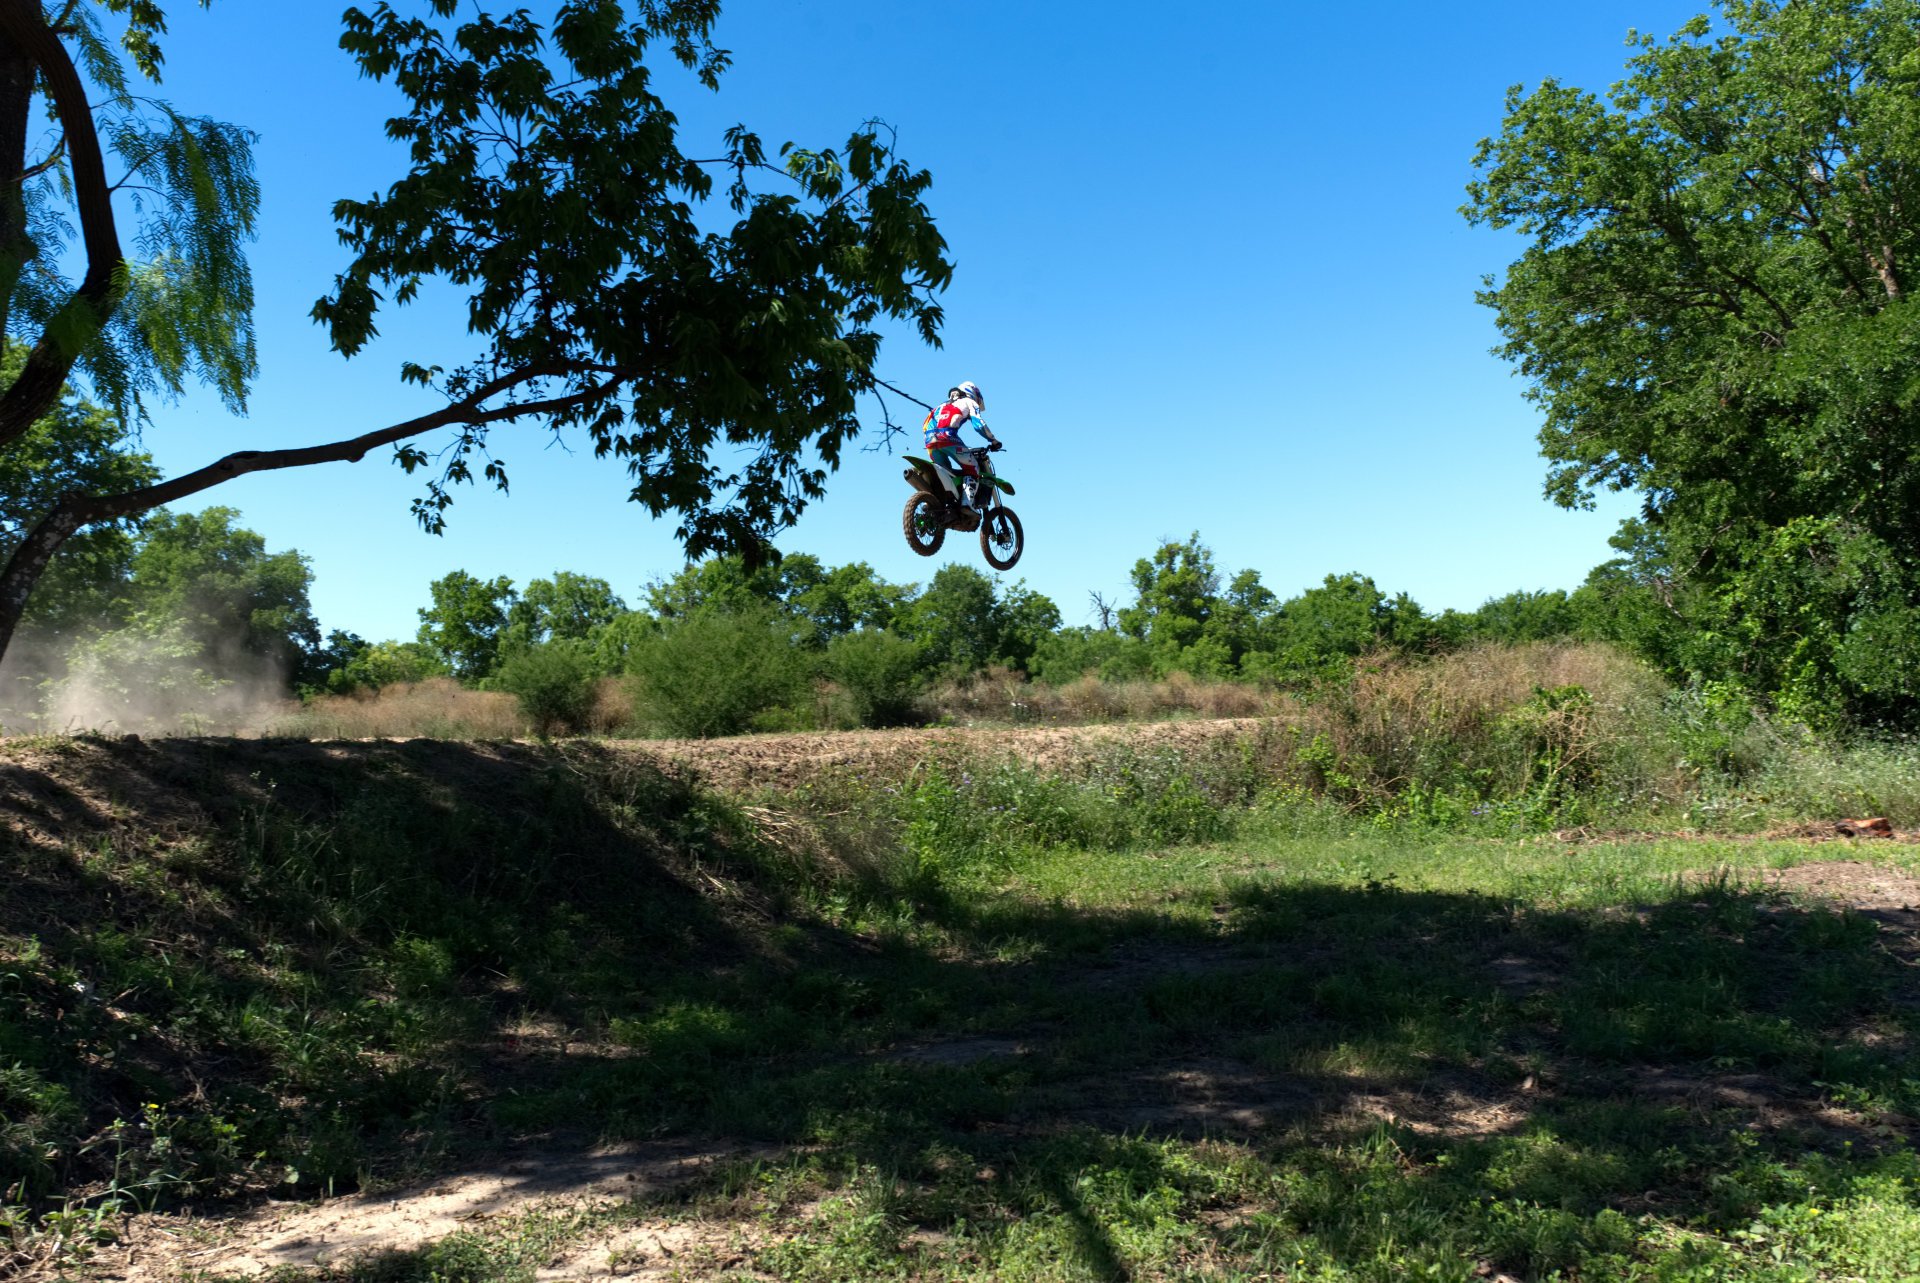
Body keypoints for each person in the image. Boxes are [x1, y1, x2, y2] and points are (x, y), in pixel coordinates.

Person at [921, 380, 1001, 508]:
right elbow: (978, 423)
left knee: (945, 473)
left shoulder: (939, 406)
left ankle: (935, 504)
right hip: (949, 438)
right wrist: (993, 440)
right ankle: (966, 504)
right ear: (973, 393)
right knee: (973, 469)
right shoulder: (969, 402)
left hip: (929, 441)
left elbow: (925, 426)